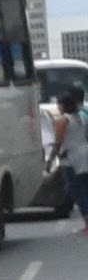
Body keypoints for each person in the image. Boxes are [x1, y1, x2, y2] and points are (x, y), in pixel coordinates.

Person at [47, 87, 88, 232]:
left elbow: (58, 142)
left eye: (58, 104)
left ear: (63, 105)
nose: (58, 107)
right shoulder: (80, 118)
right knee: (84, 188)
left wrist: (51, 160)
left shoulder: (63, 121)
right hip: (84, 154)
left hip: (70, 158)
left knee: (76, 190)